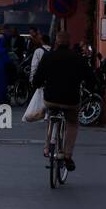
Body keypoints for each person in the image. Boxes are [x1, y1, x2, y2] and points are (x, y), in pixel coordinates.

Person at [31, 31, 86, 170]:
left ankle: (46, 148)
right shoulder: (77, 57)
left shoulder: (48, 56)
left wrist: (37, 85)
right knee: (72, 123)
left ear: (56, 42)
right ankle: (67, 155)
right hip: (71, 100)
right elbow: (89, 76)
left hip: (51, 99)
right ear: (69, 43)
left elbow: (37, 78)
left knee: (51, 117)